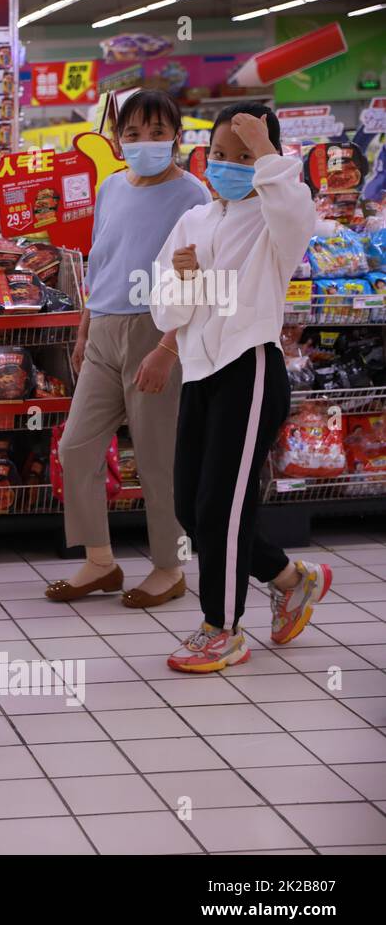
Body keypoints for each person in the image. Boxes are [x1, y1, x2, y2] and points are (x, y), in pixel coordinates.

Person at [150, 102, 331, 673]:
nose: (228, 167)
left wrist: (270, 154)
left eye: (243, 156)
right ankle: (288, 578)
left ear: (265, 162)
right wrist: (181, 280)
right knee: (191, 506)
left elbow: (297, 210)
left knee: (222, 508)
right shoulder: (197, 221)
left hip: (250, 368)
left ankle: (221, 628)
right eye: (221, 155)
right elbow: (165, 310)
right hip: (201, 372)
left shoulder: (275, 220)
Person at [47, 90, 210, 608]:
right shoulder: (112, 186)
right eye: (133, 134)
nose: (144, 143)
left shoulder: (194, 196)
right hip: (104, 330)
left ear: (177, 138)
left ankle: (169, 567)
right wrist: (83, 326)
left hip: (156, 330)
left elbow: (201, 279)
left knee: (159, 458)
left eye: (157, 133)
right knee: (76, 446)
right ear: (118, 140)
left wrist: (168, 346)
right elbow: (102, 260)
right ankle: (100, 560)